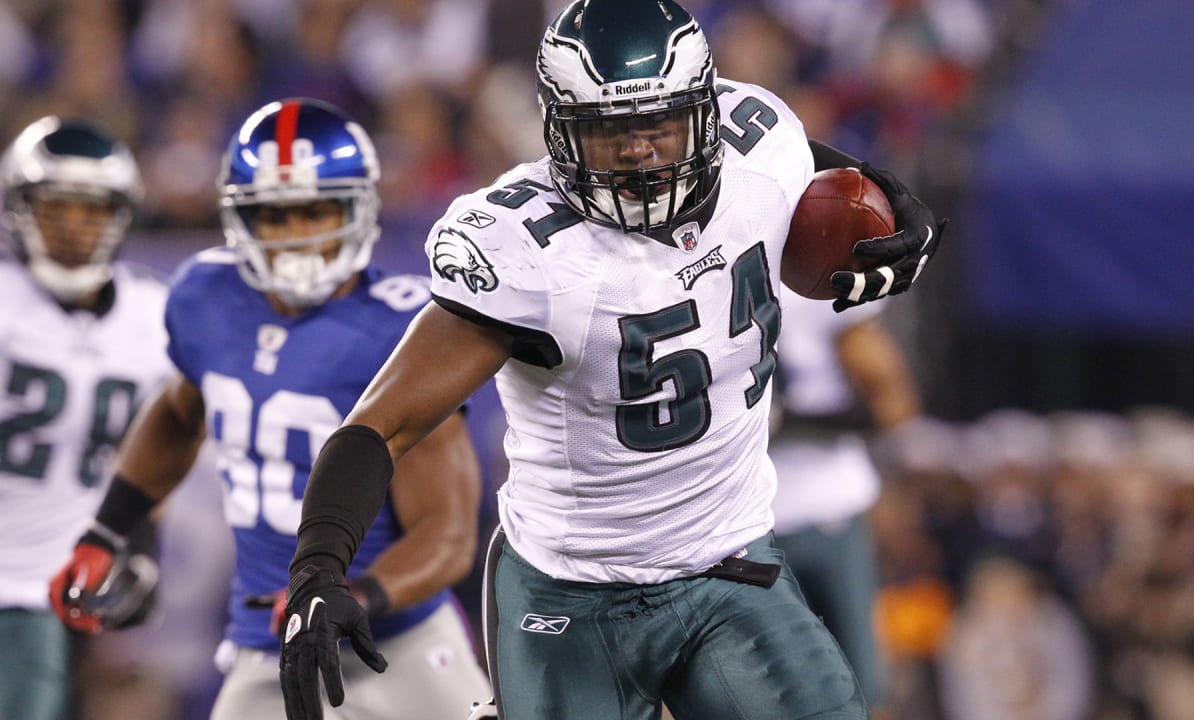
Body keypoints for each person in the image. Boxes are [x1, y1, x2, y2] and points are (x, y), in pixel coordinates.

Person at [278, 2, 946, 718]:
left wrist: (898, 206)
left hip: (729, 561)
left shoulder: (761, 148)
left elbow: (808, 166)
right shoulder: (526, 250)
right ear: (560, 131)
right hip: (572, 593)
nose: (637, 154)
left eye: (656, 127)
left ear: (703, 116)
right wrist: (319, 564)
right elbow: (383, 424)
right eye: (609, 134)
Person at [48, 98, 492, 720]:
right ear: (239, 219)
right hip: (267, 646)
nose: (298, 237)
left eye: (316, 210)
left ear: (358, 209)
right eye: (276, 216)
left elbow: (445, 537)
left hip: (401, 643)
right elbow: (178, 415)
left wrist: (346, 595)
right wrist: (110, 528)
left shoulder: (398, 330)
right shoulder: (206, 296)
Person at [0, 116, 169, 720]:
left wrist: (144, 549)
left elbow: (156, 454)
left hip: (84, 576)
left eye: (91, 211)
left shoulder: (153, 318)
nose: (74, 228)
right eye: (56, 210)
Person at [769, 290, 921, 712]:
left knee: (860, 681)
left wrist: (789, 418)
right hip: (737, 519)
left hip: (826, 507)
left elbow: (893, 407)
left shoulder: (814, 294)